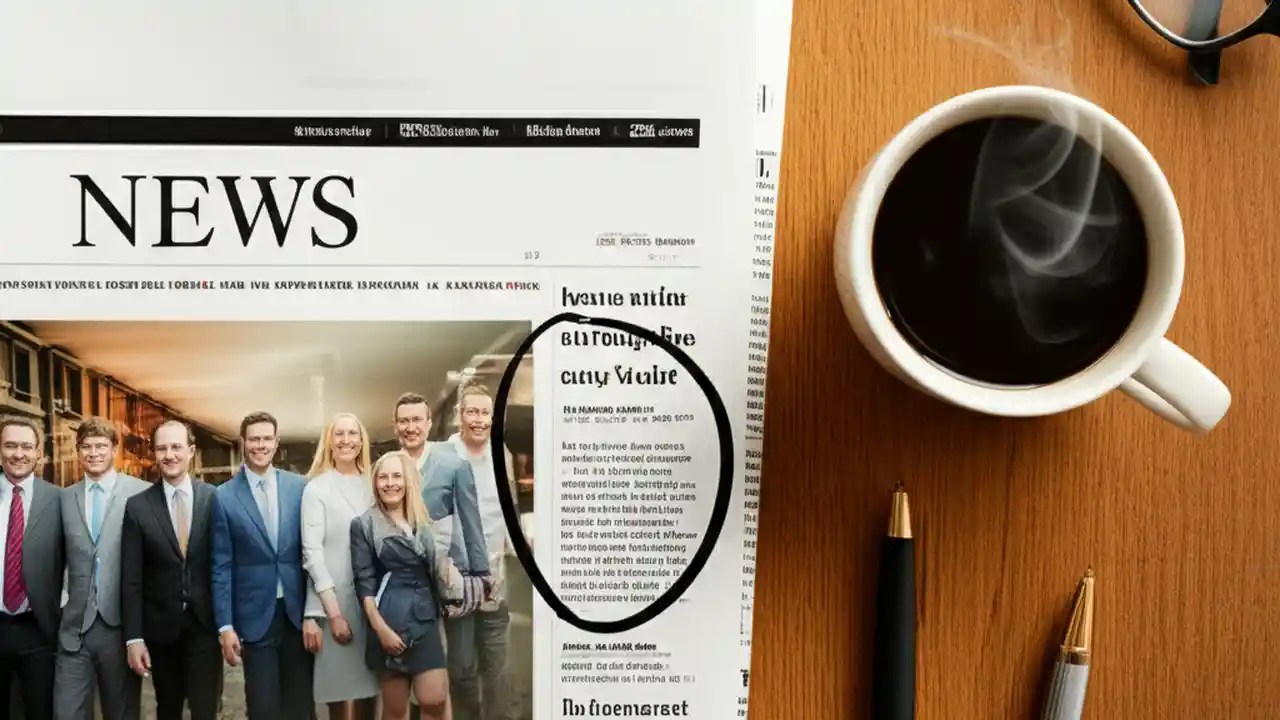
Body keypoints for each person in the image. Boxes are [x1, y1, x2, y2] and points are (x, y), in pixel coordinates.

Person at [210, 411, 314, 720]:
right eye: (254, 439)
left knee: (300, 706)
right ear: (242, 443)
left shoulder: (300, 487)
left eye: (267, 438)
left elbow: (311, 552)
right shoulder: (224, 496)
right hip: (255, 616)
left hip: (298, 613)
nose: (260, 445)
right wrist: (225, 625)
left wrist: (317, 612)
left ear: (276, 443)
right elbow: (220, 565)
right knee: (263, 706)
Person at [120, 420, 220, 720]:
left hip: (205, 626)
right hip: (161, 630)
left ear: (191, 451)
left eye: (176, 447)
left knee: (205, 711)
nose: (169, 454)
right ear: (154, 453)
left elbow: (223, 565)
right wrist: (133, 638)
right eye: (162, 448)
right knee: (168, 710)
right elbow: (131, 578)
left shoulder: (214, 499)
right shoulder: (137, 506)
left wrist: (228, 624)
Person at [54, 417, 149, 720]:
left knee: (121, 713)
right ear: (77, 451)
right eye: (86, 447)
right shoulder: (64, 498)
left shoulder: (142, 494)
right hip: (73, 627)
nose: (93, 453)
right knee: (66, 712)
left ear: (114, 450)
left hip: (120, 626)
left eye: (101, 446)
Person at [350, 451, 454, 720]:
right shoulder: (363, 524)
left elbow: (435, 571)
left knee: (435, 699)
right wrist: (381, 630)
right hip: (389, 621)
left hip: (425, 618)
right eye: (383, 477)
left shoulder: (423, 520)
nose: (390, 483)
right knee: (395, 711)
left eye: (396, 476)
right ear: (375, 483)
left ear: (408, 480)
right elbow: (364, 583)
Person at [301, 412, 379, 720]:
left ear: (362, 441)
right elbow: (312, 553)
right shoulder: (316, 489)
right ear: (329, 442)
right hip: (336, 601)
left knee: (371, 692)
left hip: (373, 601)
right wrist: (331, 614)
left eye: (353, 434)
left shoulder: (375, 483)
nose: (346, 440)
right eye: (339, 434)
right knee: (339, 695)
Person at [446, 384, 518, 720]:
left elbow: (508, 508)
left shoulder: (500, 455)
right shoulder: (444, 456)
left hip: (495, 582)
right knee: (462, 671)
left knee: (497, 669)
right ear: (460, 415)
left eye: (485, 412)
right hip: (457, 585)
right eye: (471, 412)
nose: (478, 419)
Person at [392, 392, 490, 606]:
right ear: (395, 426)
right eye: (403, 421)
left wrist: (481, 574)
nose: (410, 428)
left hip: (452, 577)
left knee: (458, 639)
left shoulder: (454, 465)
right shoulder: (388, 470)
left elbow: (471, 523)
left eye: (417, 420)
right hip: (405, 583)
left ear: (428, 424)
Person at [0, 415, 65, 720]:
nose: (18, 453)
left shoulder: (59, 500)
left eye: (27, 446)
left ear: (40, 452)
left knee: (40, 711)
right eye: (11, 445)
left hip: (38, 630)